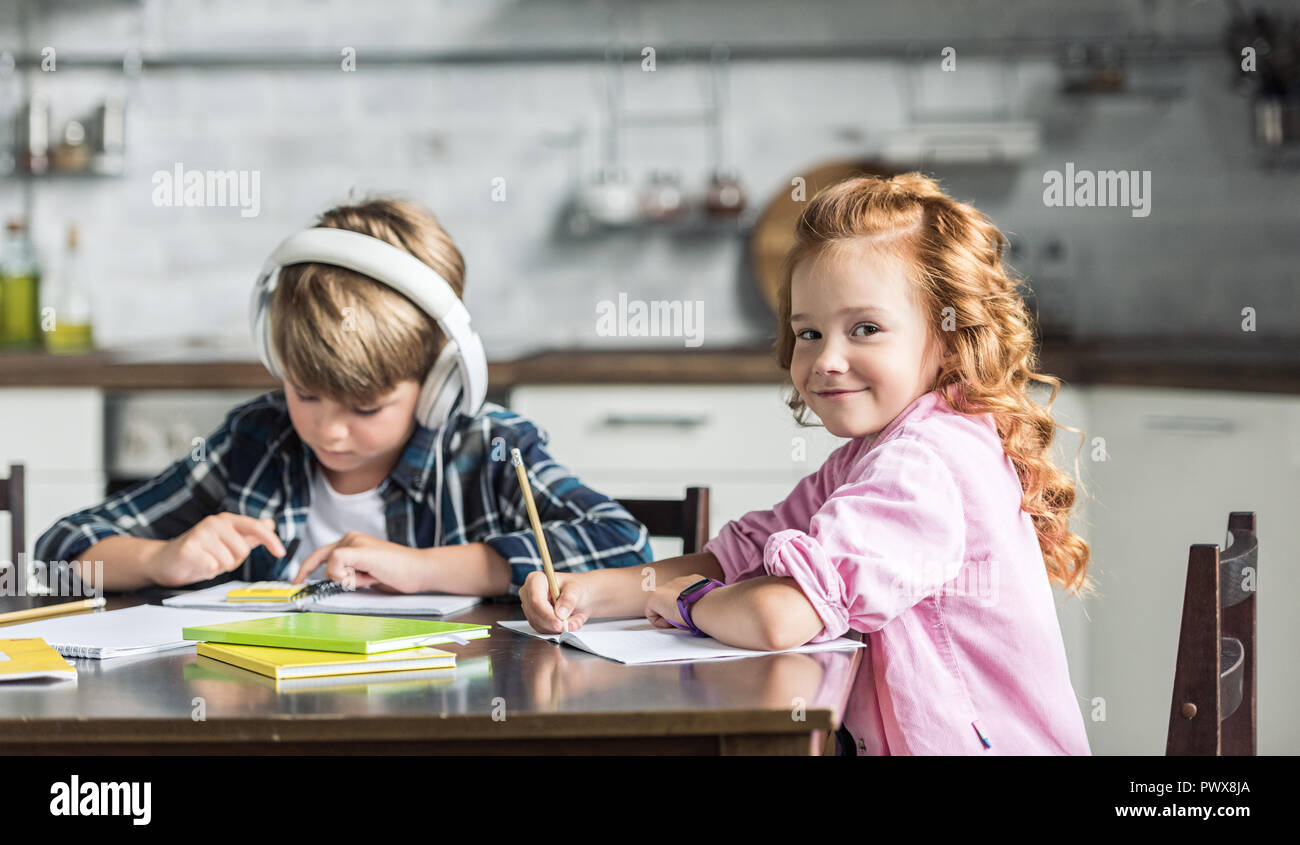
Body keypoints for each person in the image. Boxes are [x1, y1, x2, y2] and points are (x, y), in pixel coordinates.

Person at [521, 172, 1093, 755]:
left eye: (865, 329)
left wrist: (691, 602)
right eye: (810, 333)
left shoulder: (924, 464)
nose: (827, 360)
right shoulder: (870, 455)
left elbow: (780, 617)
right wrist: (587, 593)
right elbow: (734, 560)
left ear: (949, 336)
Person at [35, 198, 652, 594]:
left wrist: (423, 569)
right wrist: (158, 559)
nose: (330, 432)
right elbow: (60, 554)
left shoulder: (484, 447)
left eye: (365, 408)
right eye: (306, 395)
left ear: (436, 383)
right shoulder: (259, 440)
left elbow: (624, 544)